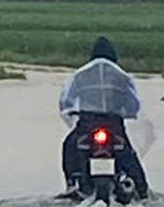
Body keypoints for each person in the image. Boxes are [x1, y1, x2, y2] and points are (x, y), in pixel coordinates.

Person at [58, 34, 149, 197]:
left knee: (68, 147)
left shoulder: (80, 74)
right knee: (129, 158)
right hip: (114, 126)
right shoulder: (122, 76)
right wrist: (127, 113)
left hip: (86, 125)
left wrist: (72, 113)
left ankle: (71, 183)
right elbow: (134, 105)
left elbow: (66, 101)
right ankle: (142, 191)